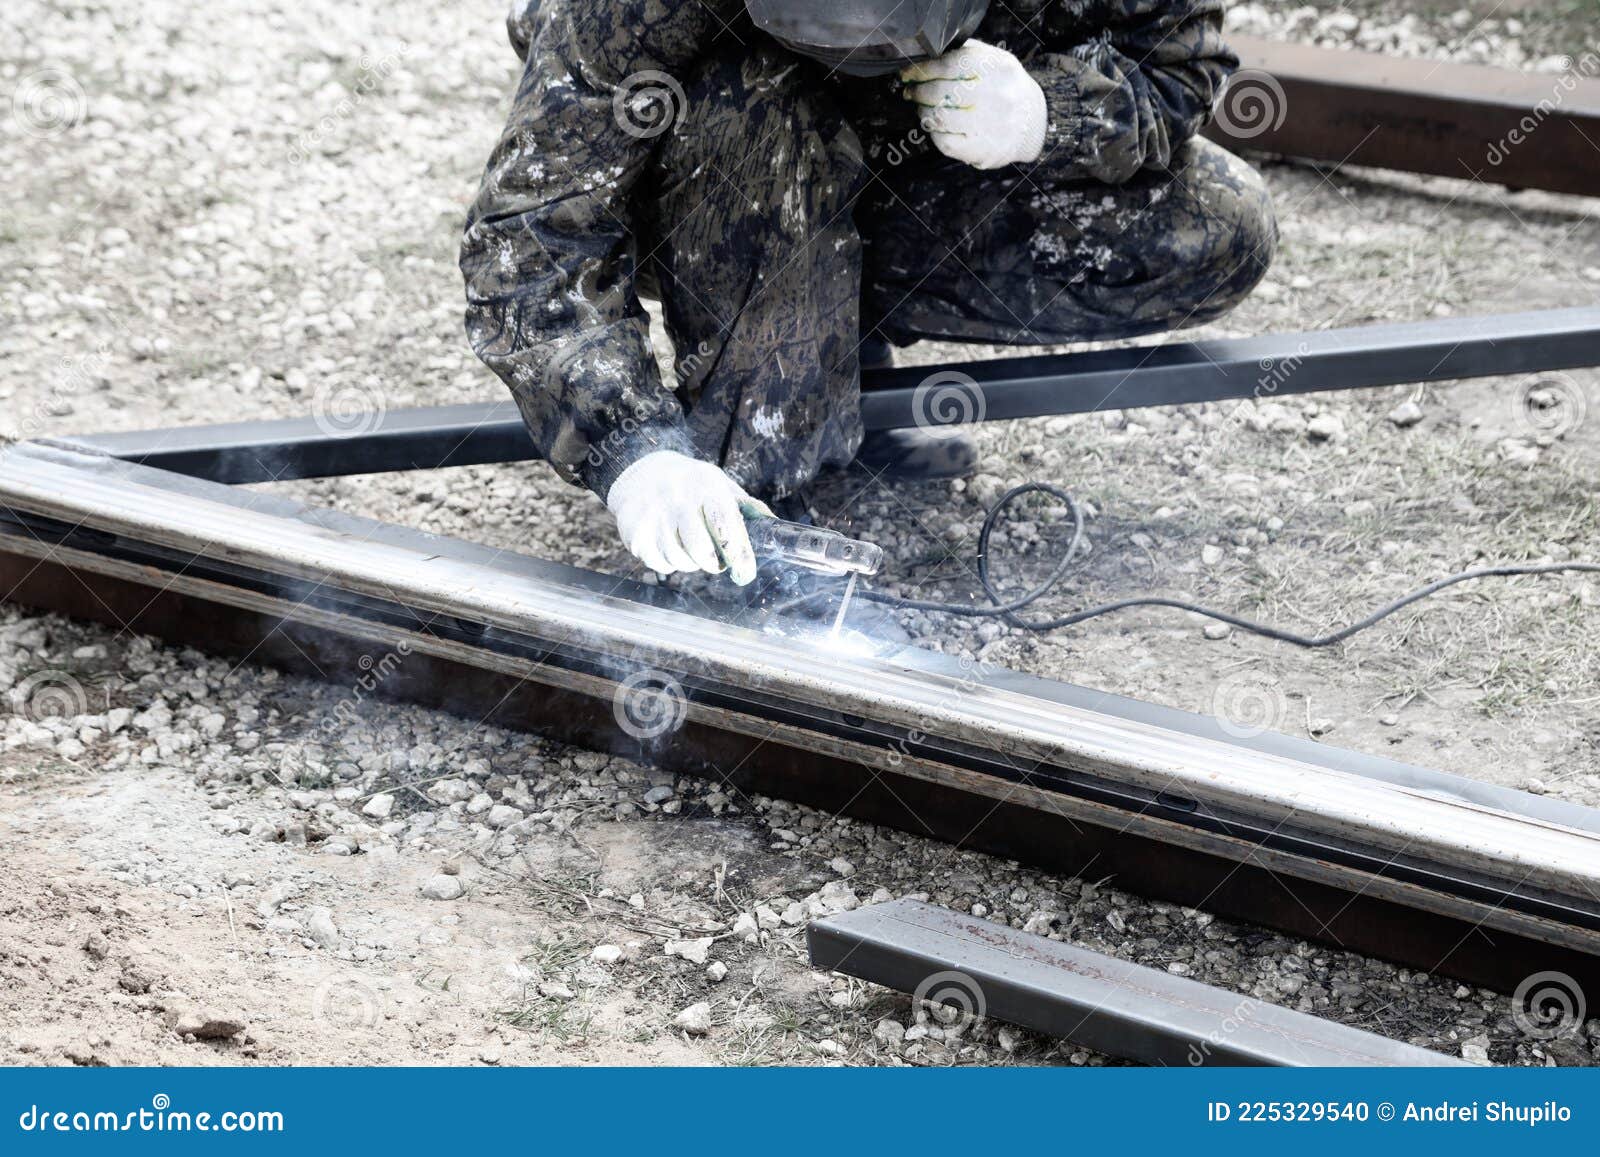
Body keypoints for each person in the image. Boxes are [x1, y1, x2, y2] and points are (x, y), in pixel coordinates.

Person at [460, 0, 1276, 585]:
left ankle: (838, 357)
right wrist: (630, 446)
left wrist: (1048, 113)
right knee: (744, 101)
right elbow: (532, 229)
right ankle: (752, 488)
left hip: (920, 176)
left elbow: (1179, 68)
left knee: (1216, 222)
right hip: (717, 178)